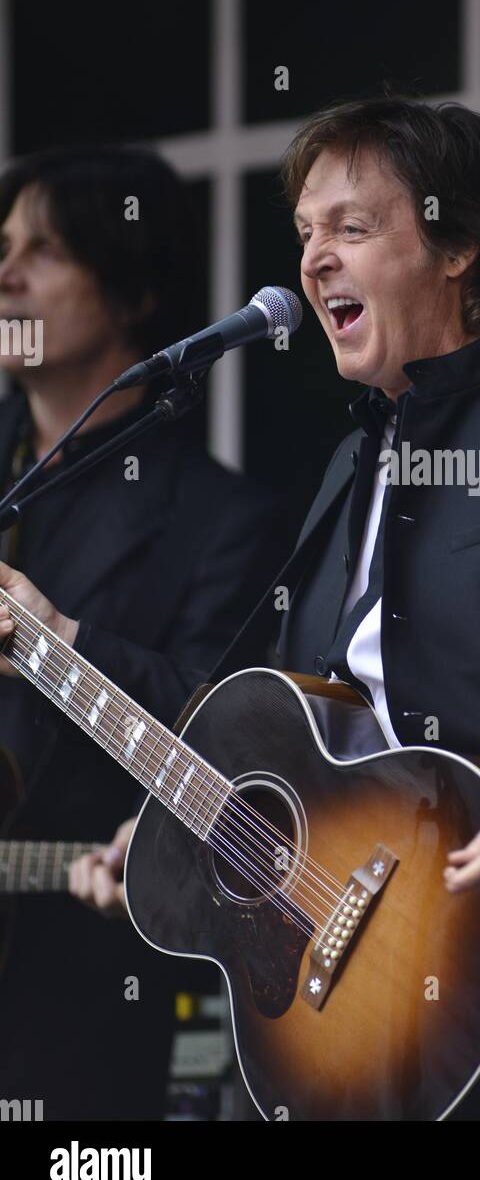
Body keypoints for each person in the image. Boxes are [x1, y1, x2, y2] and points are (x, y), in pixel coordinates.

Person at [1, 97, 480, 1119]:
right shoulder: (347, 464)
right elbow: (273, 732)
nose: (313, 260)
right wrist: (166, 819)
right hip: (323, 1017)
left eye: (350, 226)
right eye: (302, 235)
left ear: (459, 243)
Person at [0, 145, 286, 1120]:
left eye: (43, 251)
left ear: (130, 291)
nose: (4, 275)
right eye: (5, 247)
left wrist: (58, 635)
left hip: (78, 992)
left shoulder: (219, 519)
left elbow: (224, 749)